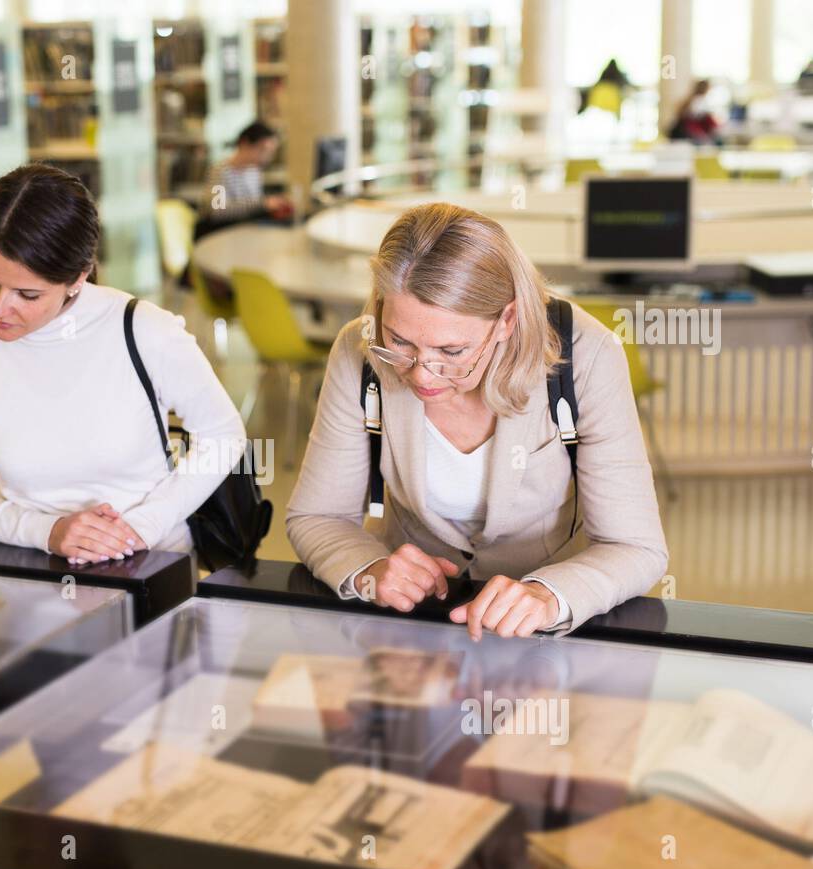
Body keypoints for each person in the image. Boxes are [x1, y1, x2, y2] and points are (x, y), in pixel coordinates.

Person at [286, 202, 668, 640]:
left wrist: (548, 595)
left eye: (451, 353)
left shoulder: (586, 356)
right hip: (414, 632)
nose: (420, 374)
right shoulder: (361, 349)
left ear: (507, 318)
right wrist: (371, 569)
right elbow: (317, 516)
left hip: (544, 637)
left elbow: (636, 548)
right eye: (401, 342)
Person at [0, 163, 245, 563]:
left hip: (152, 564)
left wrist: (141, 526)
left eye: (27, 294)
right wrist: (49, 531)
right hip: (33, 569)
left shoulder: (145, 330)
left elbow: (224, 435)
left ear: (78, 278)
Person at [194, 121, 293, 240]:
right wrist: (263, 204)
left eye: (271, 152)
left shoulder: (253, 172)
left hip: (242, 232)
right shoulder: (220, 171)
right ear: (244, 143)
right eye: (263, 149)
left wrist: (268, 205)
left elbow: (252, 207)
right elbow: (217, 209)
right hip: (218, 234)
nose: (267, 157)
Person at [668, 80, 720, 145]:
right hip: (686, 134)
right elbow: (701, 119)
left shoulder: (690, 100)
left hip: (679, 133)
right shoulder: (699, 101)